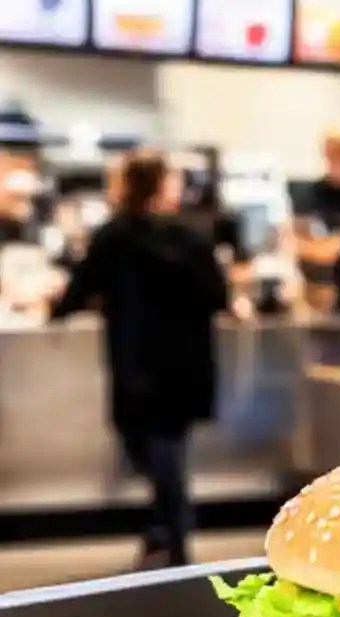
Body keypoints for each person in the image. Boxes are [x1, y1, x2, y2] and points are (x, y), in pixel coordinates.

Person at [51, 152, 229, 567]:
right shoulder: (192, 237)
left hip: (136, 361)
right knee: (171, 449)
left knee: (144, 447)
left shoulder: (113, 236)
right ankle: (167, 530)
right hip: (187, 362)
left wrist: (59, 311)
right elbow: (217, 295)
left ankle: (171, 532)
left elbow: (79, 288)